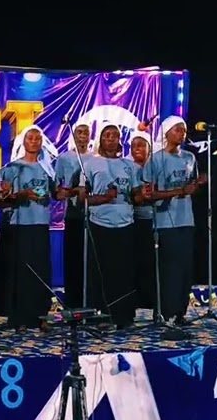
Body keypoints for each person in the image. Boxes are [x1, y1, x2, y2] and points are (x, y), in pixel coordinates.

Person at [137, 116, 201, 324]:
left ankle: (180, 312)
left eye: (184, 130)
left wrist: (197, 186)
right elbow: (149, 195)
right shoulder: (155, 159)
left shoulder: (190, 158)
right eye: (177, 129)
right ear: (166, 132)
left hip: (187, 220)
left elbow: (192, 187)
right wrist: (179, 191)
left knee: (185, 269)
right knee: (169, 270)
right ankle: (165, 311)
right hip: (165, 222)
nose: (182, 133)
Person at [0, 124, 54, 330]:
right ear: (23, 141)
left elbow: (55, 193)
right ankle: (19, 317)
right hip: (18, 225)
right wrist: (21, 195)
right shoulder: (12, 168)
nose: (34, 142)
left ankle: (40, 315)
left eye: (38, 138)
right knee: (19, 272)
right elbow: (2, 200)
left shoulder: (47, 169)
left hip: (40, 223)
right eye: (30, 138)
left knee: (40, 270)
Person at [85, 121, 139, 328]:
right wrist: (105, 198)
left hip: (125, 223)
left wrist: (142, 195)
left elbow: (135, 195)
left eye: (114, 135)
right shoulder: (90, 164)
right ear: (100, 139)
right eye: (106, 135)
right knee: (102, 273)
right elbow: (82, 199)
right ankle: (102, 315)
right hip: (100, 223)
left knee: (124, 272)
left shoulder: (129, 165)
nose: (111, 139)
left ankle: (124, 316)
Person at [54, 121, 94, 308]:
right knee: (73, 259)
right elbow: (57, 187)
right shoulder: (64, 158)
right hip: (72, 214)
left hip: (93, 214)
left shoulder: (95, 158)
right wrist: (68, 192)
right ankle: (72, 302)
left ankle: (90, 300)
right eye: (79, 132)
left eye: (86, 132)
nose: (82, 136)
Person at [128, 129, 157, 313]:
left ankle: (151, 299)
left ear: (149, 148)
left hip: (154, 219)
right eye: (133, 146)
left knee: (151, 262)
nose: (136, 149)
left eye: (141, 145)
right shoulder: (127, 167)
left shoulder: (155, 166)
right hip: (133, 220)